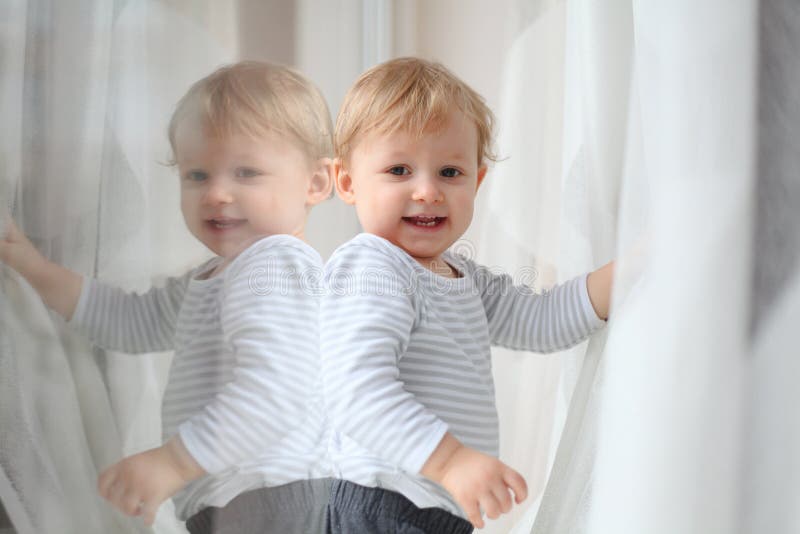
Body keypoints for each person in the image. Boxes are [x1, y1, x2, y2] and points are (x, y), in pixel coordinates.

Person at [0, 61, 335, 533]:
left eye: (246, 172)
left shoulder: (277, 270)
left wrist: (174, 462)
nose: (217, 194)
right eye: (197, 176)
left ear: (316, 183)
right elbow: (131, 320)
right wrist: (35, 269)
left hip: (276, 494)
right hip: (235, 497)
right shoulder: (216, 277)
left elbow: (275, 393)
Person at [321, 57, 614, 533]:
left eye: (450, 173)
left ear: (477, 182)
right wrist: (451, 461)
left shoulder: (465, 278)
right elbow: (357, 393)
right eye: (399, 170)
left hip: (440, 506)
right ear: (348, 183)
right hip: (385, 503)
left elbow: (539, 321)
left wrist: (626, 275)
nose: (427, 191)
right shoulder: (372, 268)